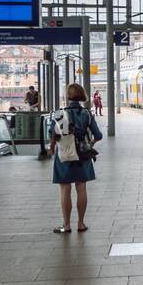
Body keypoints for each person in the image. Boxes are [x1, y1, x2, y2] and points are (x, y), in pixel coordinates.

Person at [49, 83, 103, 233]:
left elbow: (52, 134)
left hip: (64, 155)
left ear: (68, 96)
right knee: (81, 188)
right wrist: (90, 142)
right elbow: (98, 135)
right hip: (82, 154)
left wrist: (52, 147)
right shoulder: (86, 113)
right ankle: (81, 223)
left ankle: (66, 225)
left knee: (65, 189)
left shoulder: (59, 113)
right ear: (82, 95)